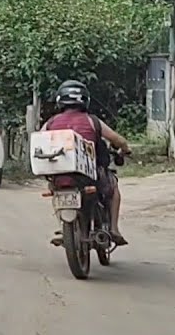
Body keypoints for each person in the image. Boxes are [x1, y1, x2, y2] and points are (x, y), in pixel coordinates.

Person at [43, 80, 132, 245]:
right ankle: (113, 228)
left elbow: (39, 142)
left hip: (60, 176)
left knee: (57, 191)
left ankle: (64, 226)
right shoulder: (92, 121)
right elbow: (117, 139)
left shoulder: (51, 123)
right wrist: (125, 149)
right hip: (90, 176)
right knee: (113, 188)